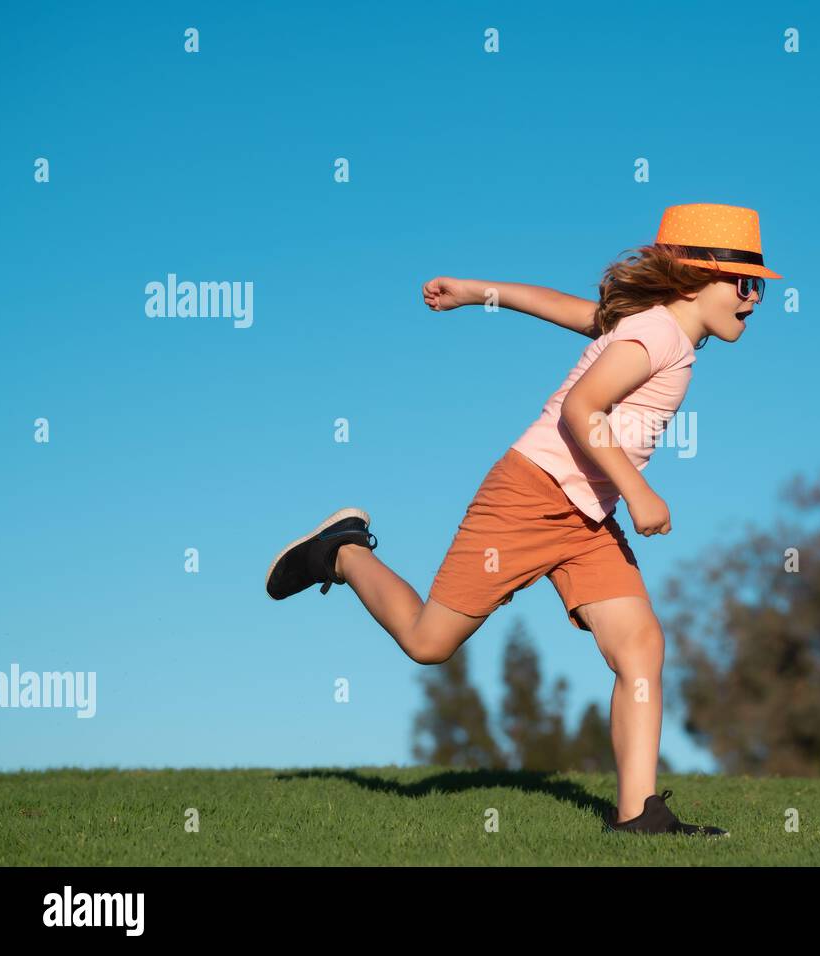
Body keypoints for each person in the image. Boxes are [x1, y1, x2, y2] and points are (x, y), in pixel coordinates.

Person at [265, 203, 780, 836]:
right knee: (429, 643)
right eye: (745, 284)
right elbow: (582, 409)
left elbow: (562, 309)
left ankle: (639, 816)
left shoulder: (643, 323)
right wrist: (639, 491)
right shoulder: (660, 335)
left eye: (758, 287)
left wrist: (478, 293)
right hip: (530, 495)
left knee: (641, 646)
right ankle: (343, 550)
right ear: (693, 280)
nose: (754, 300)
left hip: (586, 516)